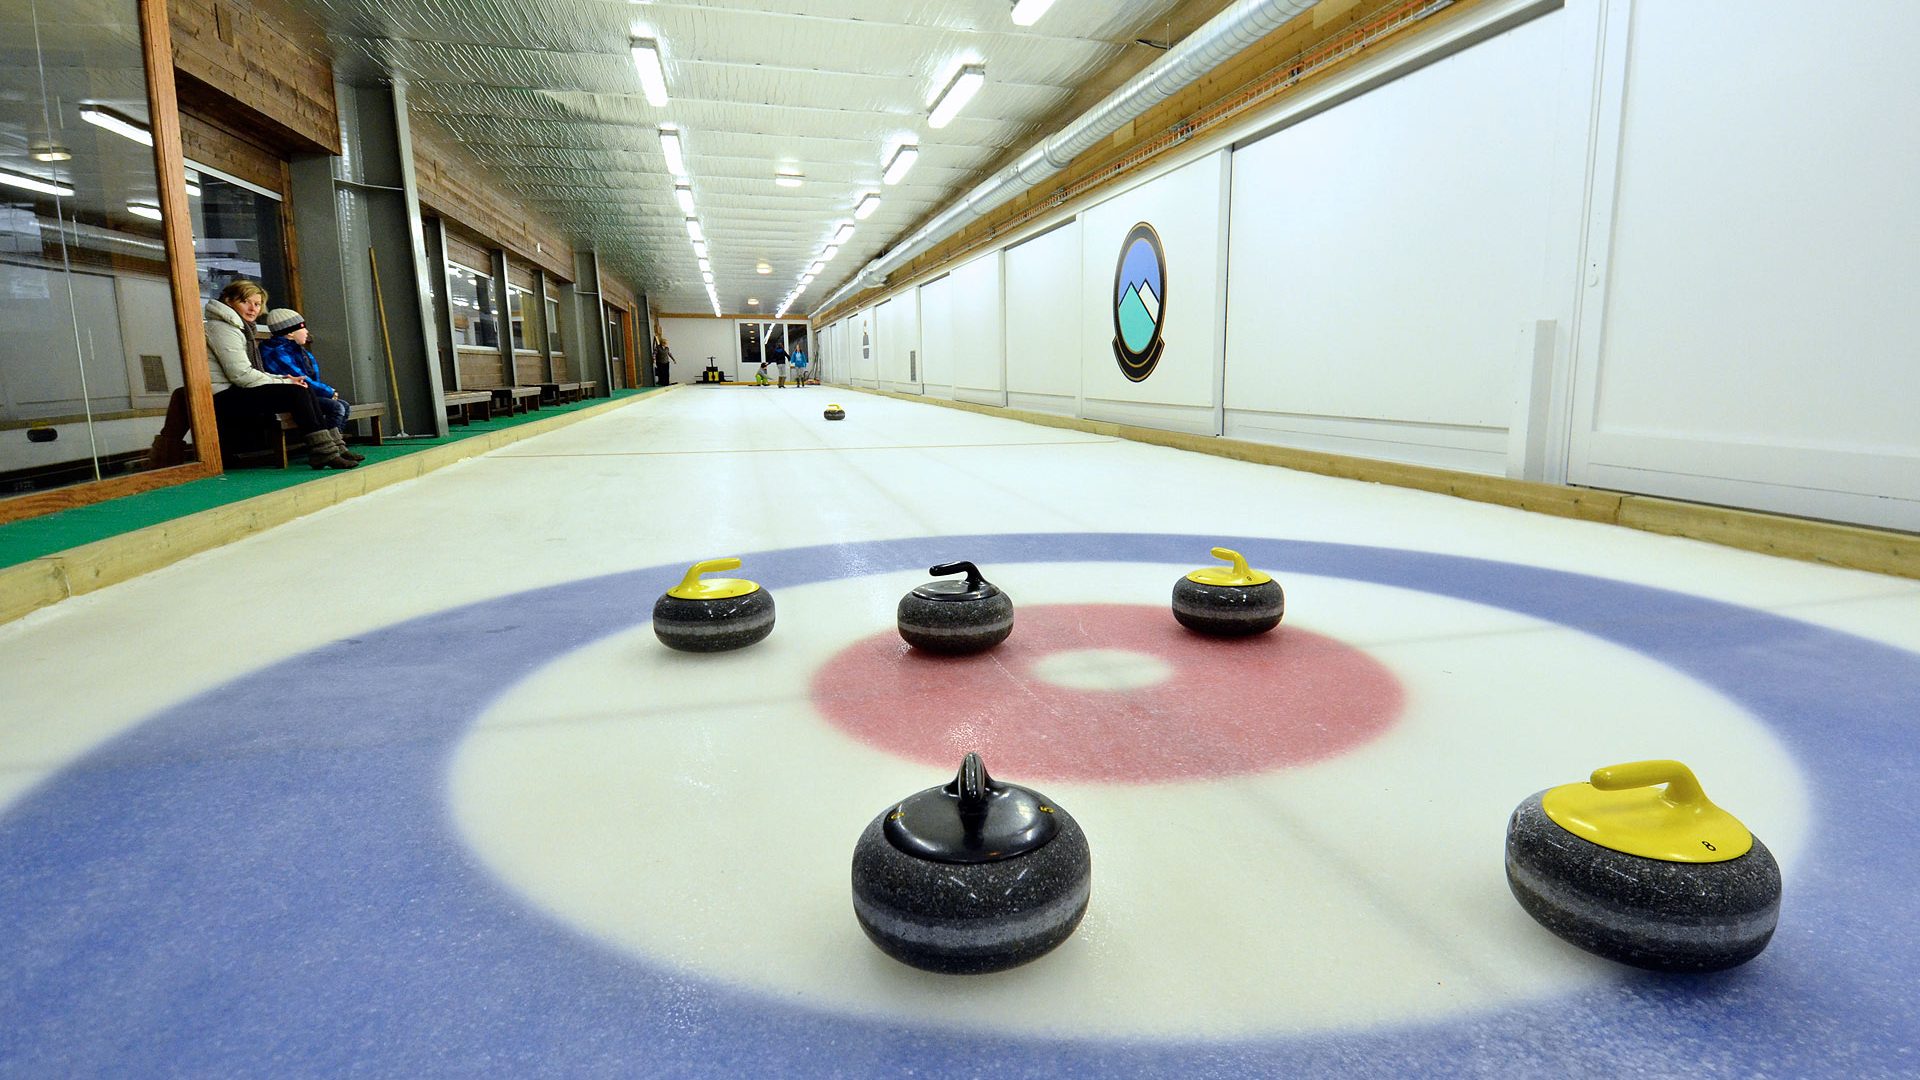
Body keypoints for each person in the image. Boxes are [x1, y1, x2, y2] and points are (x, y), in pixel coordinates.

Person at [203, 281, 357, 470]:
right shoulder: (222, 328)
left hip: (235, 390)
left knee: (301, 388)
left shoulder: (237, 327)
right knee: (296, 392)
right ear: (229, 301)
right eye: (246, 302)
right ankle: (324, 452)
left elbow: (248, 374)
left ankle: (331, 449)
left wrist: (287, 380)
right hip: (222, 396)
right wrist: (284, 381)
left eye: (257, 304)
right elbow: (241, 375)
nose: (253, 309)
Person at [260, 308, 363, 463]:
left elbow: (312, 376)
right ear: (290, 333)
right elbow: (301, 378)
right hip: (295, 397)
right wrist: (327, 392)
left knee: (343, 405)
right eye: (303, 328)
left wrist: (326, 392)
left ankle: (338, 447)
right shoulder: (277, 352)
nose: (307, 331)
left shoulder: (298, 350)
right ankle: (330, 449)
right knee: (336, 408)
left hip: (308, 394)